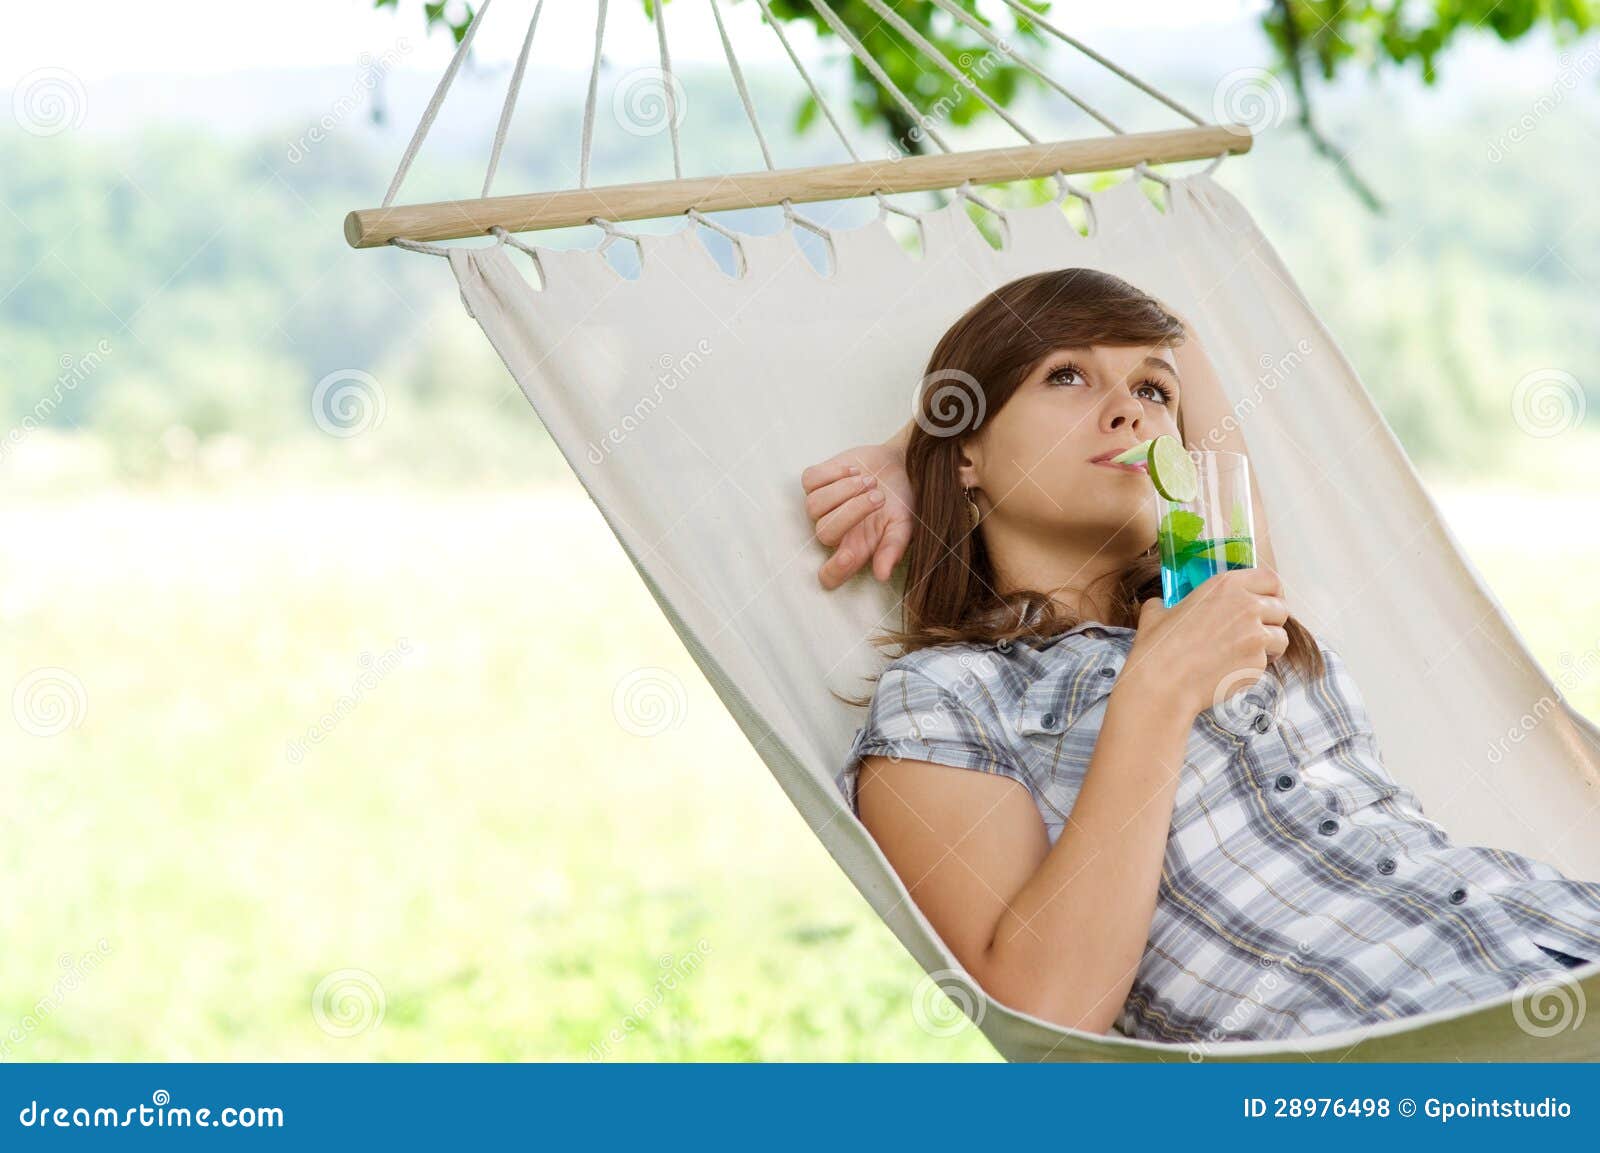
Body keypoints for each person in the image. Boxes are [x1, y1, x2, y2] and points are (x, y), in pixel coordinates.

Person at [800, 267, 1598, 1044]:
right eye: (1066, 376)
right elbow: (1048, 1014)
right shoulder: (948, 694)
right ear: (969, 454)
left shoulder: (1224, 587)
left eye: (1153, 393)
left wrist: (915, 443)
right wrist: (1154, 694)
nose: (1130, 415)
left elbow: (1174, 334)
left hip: (1558, 933)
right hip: (1414, 1047)